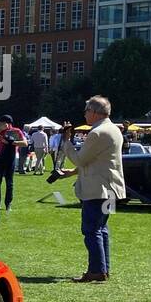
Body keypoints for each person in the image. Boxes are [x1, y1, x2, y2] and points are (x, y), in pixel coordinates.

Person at [60, 97, 126, 283]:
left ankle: (96, 271)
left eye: (87, 110)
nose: (85, 113)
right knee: (102, 228)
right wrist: (73, 173)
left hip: (97, 190)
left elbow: (80, 159)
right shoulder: (114, 129)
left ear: (95, 112)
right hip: (111, 189)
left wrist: (67, 141)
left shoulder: (97, 133)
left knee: (91, 229)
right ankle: (103, 269)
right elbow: (101, 160)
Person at [0, 114, 26, 211]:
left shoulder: (16, 131)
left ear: (5, 123)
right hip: (0, 159)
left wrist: (11, 143)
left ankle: (8, 204)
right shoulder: (0, 131)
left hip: (10, 159)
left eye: (0, 122)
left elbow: (25, 143)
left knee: (9, 182)